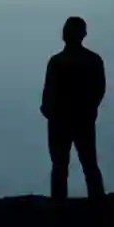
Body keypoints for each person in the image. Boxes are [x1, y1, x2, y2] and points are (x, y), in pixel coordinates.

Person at [41, 16, 106, 203]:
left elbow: (49, 91)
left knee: (65, 165)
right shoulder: (91, 60)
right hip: (77, 119)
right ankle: (96, 205)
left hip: (65, 120)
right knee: (84, 164)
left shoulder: (58, 61)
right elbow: (98, 90)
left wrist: (49, 110)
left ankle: (60, 206)